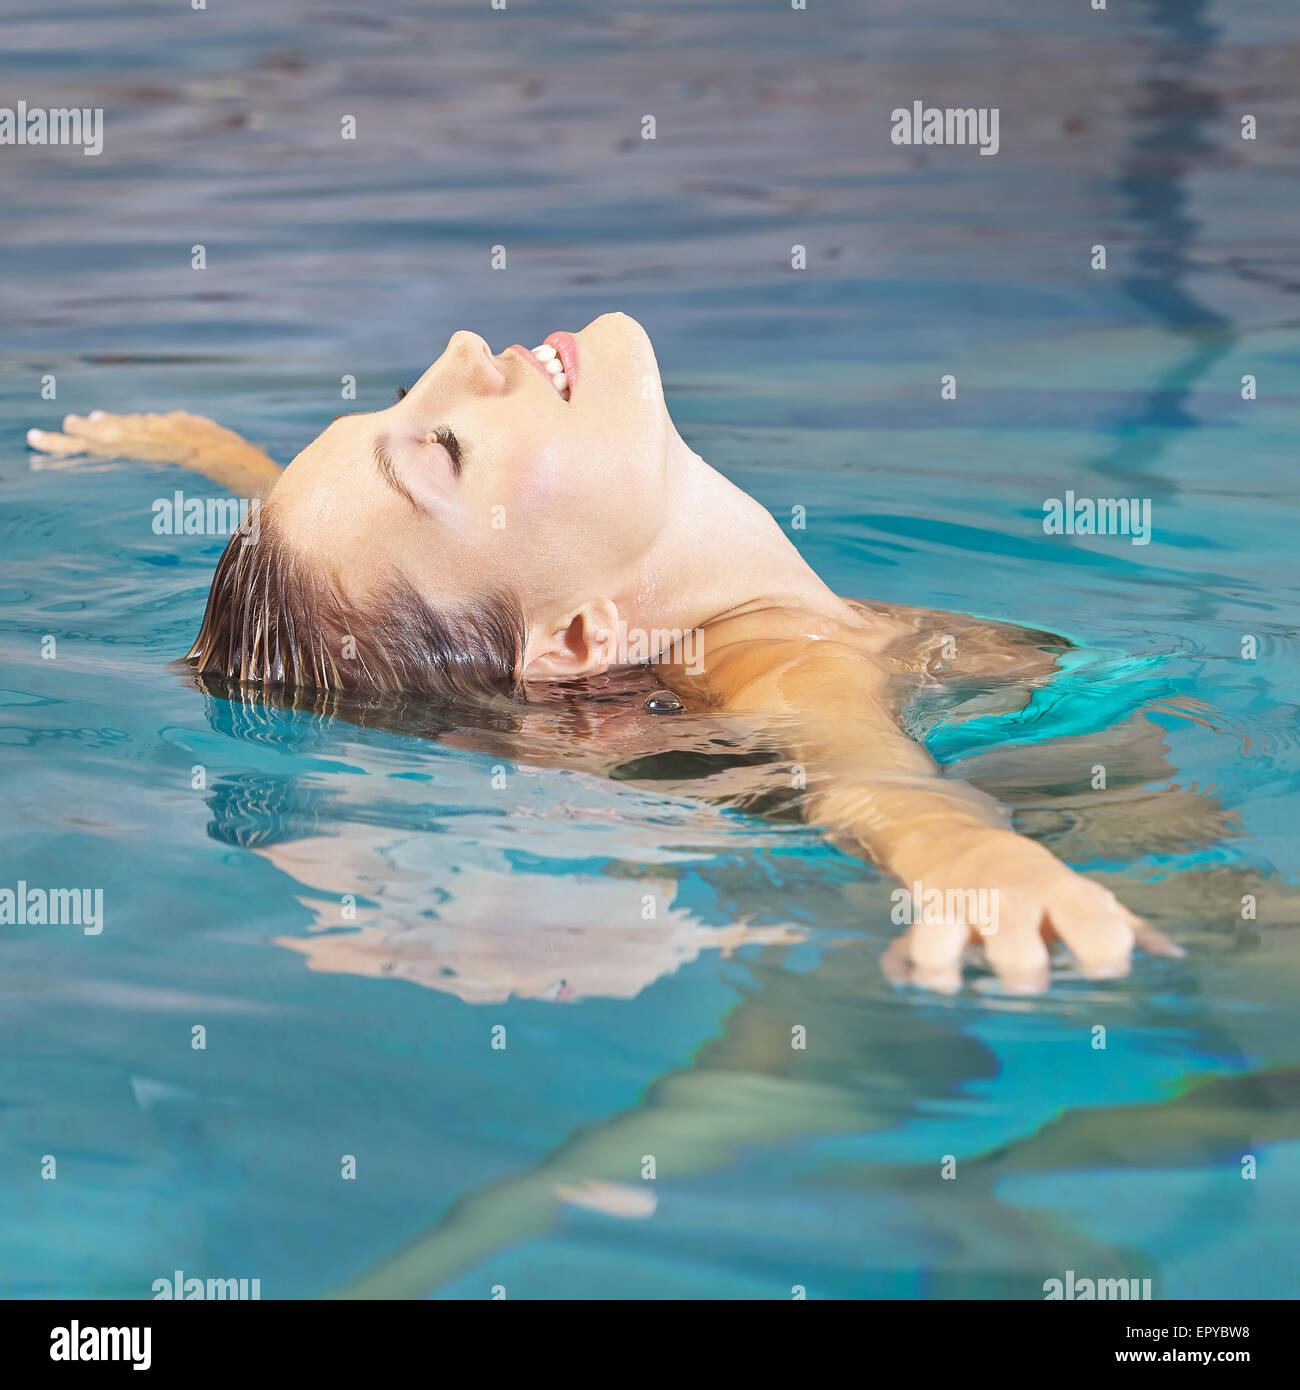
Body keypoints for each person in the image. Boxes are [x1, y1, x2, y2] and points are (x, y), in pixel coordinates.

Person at [27, 311, 1183, 993]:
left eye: (394, 400)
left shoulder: (571, 631)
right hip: (1121, 866)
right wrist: (974, 862)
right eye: (440, 446)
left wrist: (211, 451)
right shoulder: (774, 660)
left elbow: (360, 564)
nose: (460, 346)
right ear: (579, 638)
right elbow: (863, 772)